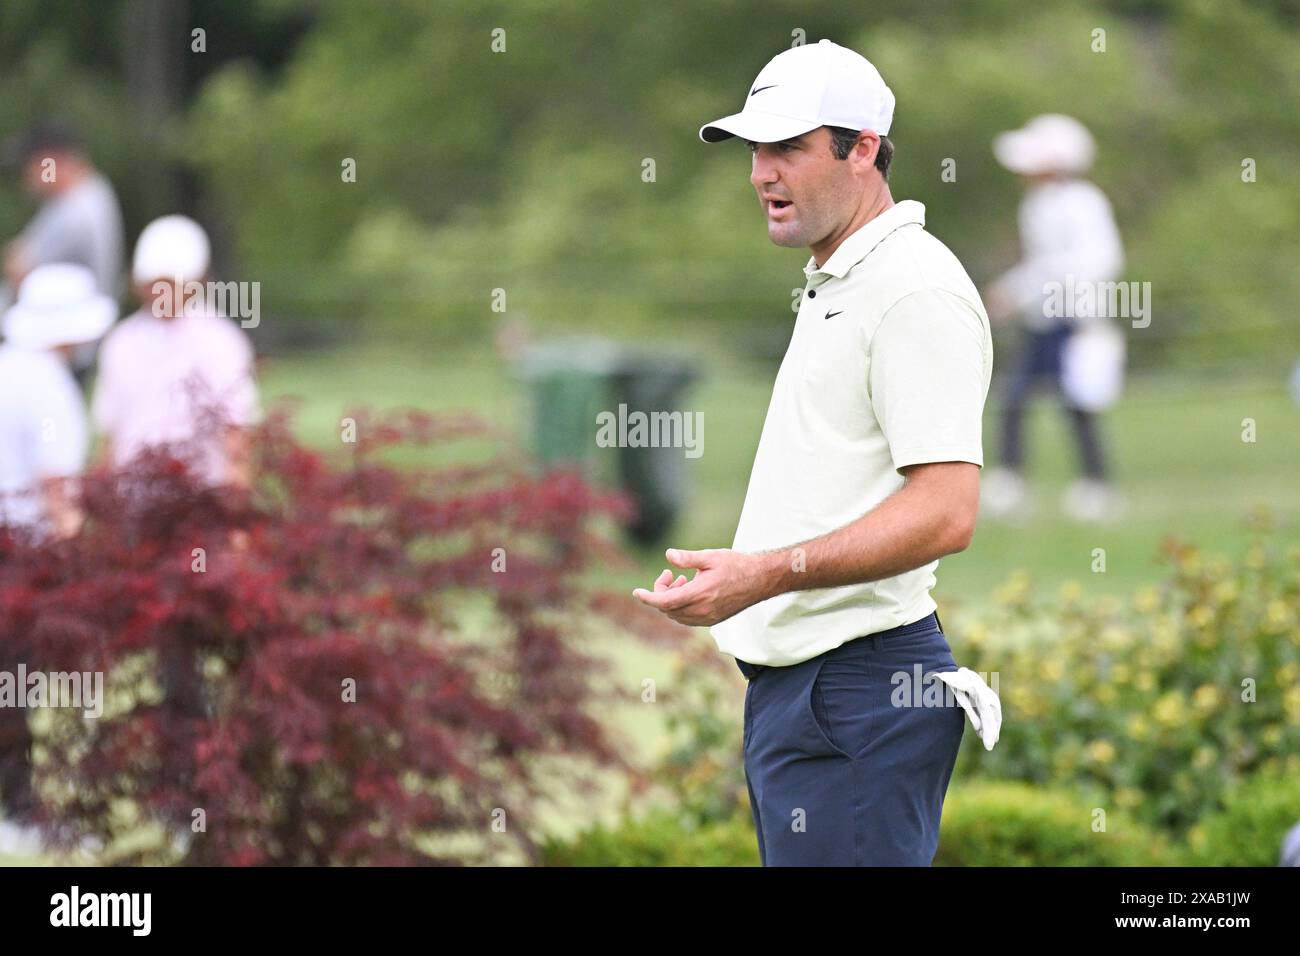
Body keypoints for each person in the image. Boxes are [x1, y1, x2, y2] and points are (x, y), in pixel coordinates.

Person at [633, 40, 992, 866]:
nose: (762, 172)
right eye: (756, 149)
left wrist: (765, 572)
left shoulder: (915, 289)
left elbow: (946, 511)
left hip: (861, 692)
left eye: (789, 147)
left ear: (862, 148)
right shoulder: (842, 275)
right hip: (814, 692)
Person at [0, 262, 116, 855]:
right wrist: (81, 568)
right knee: (42, 684)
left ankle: (17, 804)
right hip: (29, 555)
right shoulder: (51, 387)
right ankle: (35, 808)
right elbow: (58, 490)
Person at [982, 114, 1125, 522]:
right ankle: (1010, 479)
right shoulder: (1037, 205)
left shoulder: (1084, 203)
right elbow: (1044, 265)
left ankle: (1096, 486)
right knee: (1013, 397)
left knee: (1077, 404)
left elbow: (1097, 262)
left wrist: (1018, 290)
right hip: (1044, 321)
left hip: (1074, 321)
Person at [91, 214, 260, 492]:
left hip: (201, 501)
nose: (162, 294)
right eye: (154, 284)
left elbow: (237, 433)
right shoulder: (121, 342)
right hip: (133, 501)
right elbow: (110, 434)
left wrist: (235, 514)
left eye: (172, 284)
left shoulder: (221, 342)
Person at [1, 120, 124, 389]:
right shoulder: (83, 196)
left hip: (63, 355)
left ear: (52, 161)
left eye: (29, 164)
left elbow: (19, 269)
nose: (25, 175)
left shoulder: (76, 211)